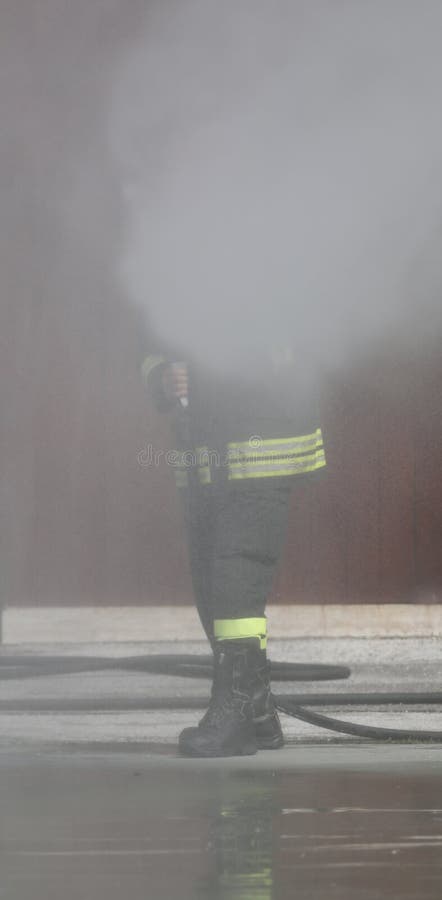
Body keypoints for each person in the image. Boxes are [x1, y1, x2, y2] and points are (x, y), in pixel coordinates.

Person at [141, 342, 326, 757]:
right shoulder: (173, 278)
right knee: (211, 583)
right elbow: (150, 341)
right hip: (203, 448)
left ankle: (238, 713)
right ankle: (255, 710)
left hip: (258, 438)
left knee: (235, 576)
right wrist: (163, 378)